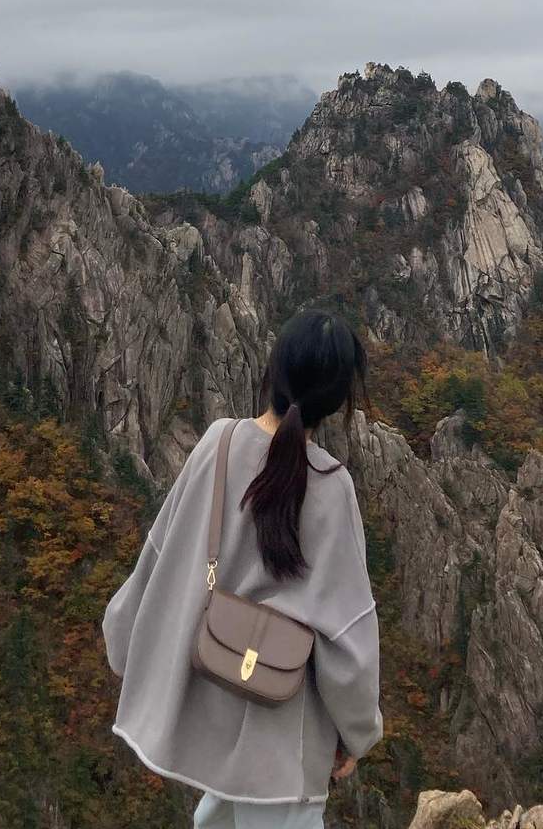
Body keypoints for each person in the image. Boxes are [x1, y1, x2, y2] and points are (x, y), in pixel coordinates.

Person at [102, 308, 383, 827]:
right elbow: (348, 638)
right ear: (340, 400)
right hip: (283, 756)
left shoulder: (218, 442)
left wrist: (126, 643)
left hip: (214, 734)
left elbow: (163, 556)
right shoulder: (332, 487)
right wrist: (359, 733)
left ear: (272, 370)